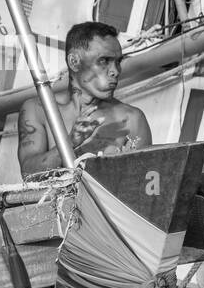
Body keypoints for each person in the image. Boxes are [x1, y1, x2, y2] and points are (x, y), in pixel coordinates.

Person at [17, 21, 152, 175]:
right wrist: (69, 143)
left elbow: (143, 182)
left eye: (118, 62)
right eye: (104, 61)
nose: (115, 71)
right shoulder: (38, 109)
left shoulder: (132, 119)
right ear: (74, 62)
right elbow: (27, 173)